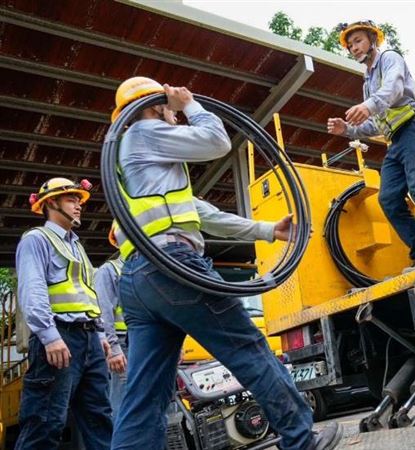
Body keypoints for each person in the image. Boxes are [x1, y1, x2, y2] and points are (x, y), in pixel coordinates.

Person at [107, 76, 341, 450]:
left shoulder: (134, 159)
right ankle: (301, 440)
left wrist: (267, 230)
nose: (175, 115)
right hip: (172, 265)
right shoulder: (146, 131)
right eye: (168, 107)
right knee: (248, 348)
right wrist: (189, 105)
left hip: (139, 278)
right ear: (153, 106)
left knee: (145, 393)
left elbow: (202, 213)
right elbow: (217, 141)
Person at [327, 20, 415, 272]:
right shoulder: (367, 82)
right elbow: (376, 125)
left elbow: (393, 89)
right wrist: (347, 129)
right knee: (389, 198)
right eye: (350, 45)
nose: (354, 48)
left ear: (373, 39)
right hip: (396, 140)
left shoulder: (390, 59)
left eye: (358, 41)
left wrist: (368, 105)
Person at [15, 177, 113, 449]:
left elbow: (87, 293)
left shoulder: (77, 246)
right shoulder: (37, 240)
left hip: (90, 341)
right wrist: (49, 336)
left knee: (100, 420)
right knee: (45, 422)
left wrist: (101, 333)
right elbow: (32, 291)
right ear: (51, 203)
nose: (79, 205)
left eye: (79, 200)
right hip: (60, 338)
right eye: (72, 199)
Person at [95, 225, 128, 417]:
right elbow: (103, 312)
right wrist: (113, 348)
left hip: (148, 343)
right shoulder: (109, 271)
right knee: (123, 404)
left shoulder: (147, 270)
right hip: (124, 346)